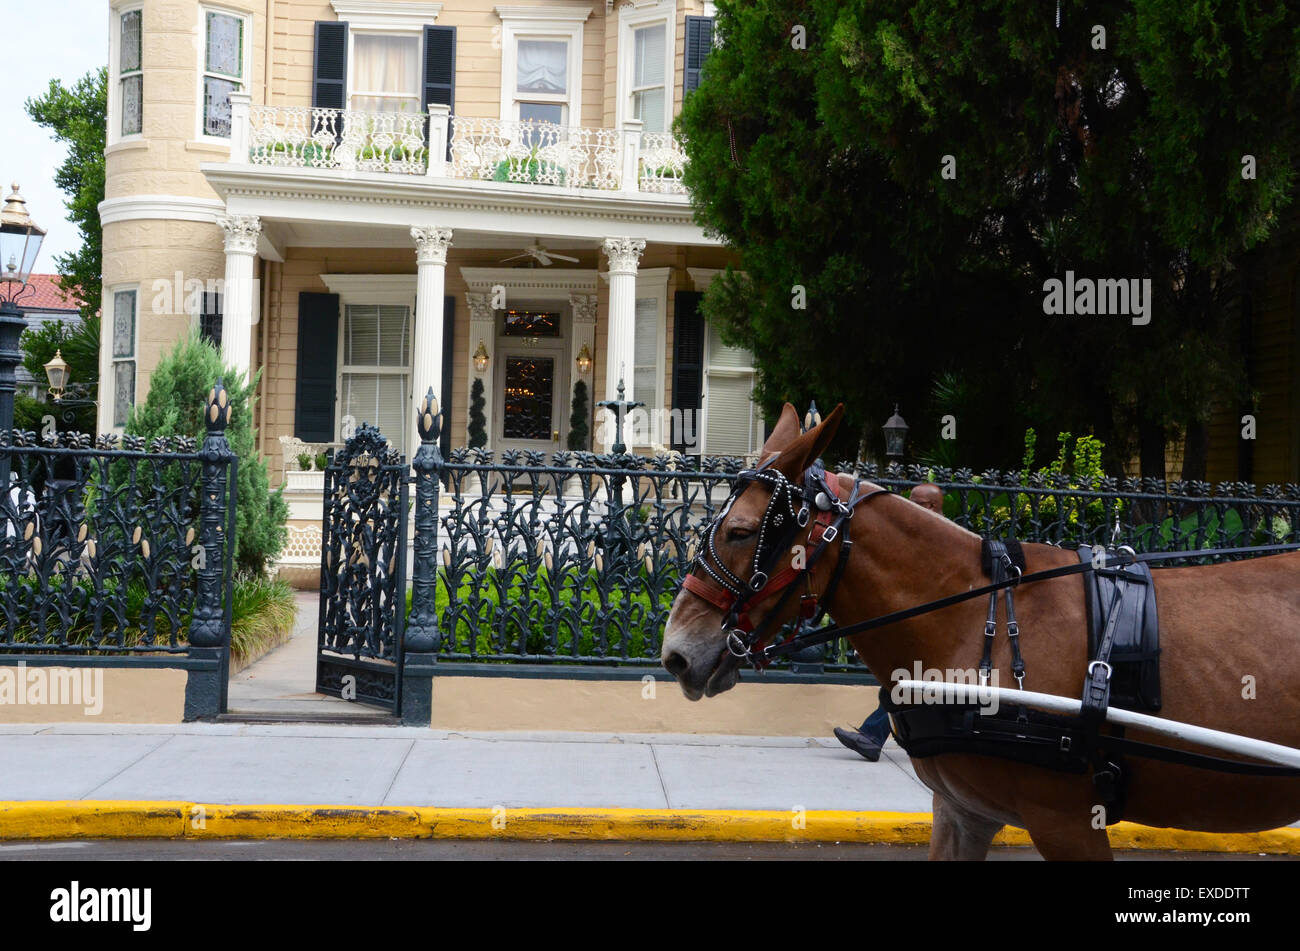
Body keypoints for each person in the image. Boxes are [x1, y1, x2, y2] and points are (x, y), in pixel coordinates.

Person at [833, 482, 945, 761]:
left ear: (931, 506)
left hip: (936, 625)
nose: (907, 506)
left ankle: (873, 736)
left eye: (915, 502)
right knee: (909, 683)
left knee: (908, 682)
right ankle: (876, 736)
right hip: (918, 622)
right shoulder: (919, 534)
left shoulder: (940, 537)